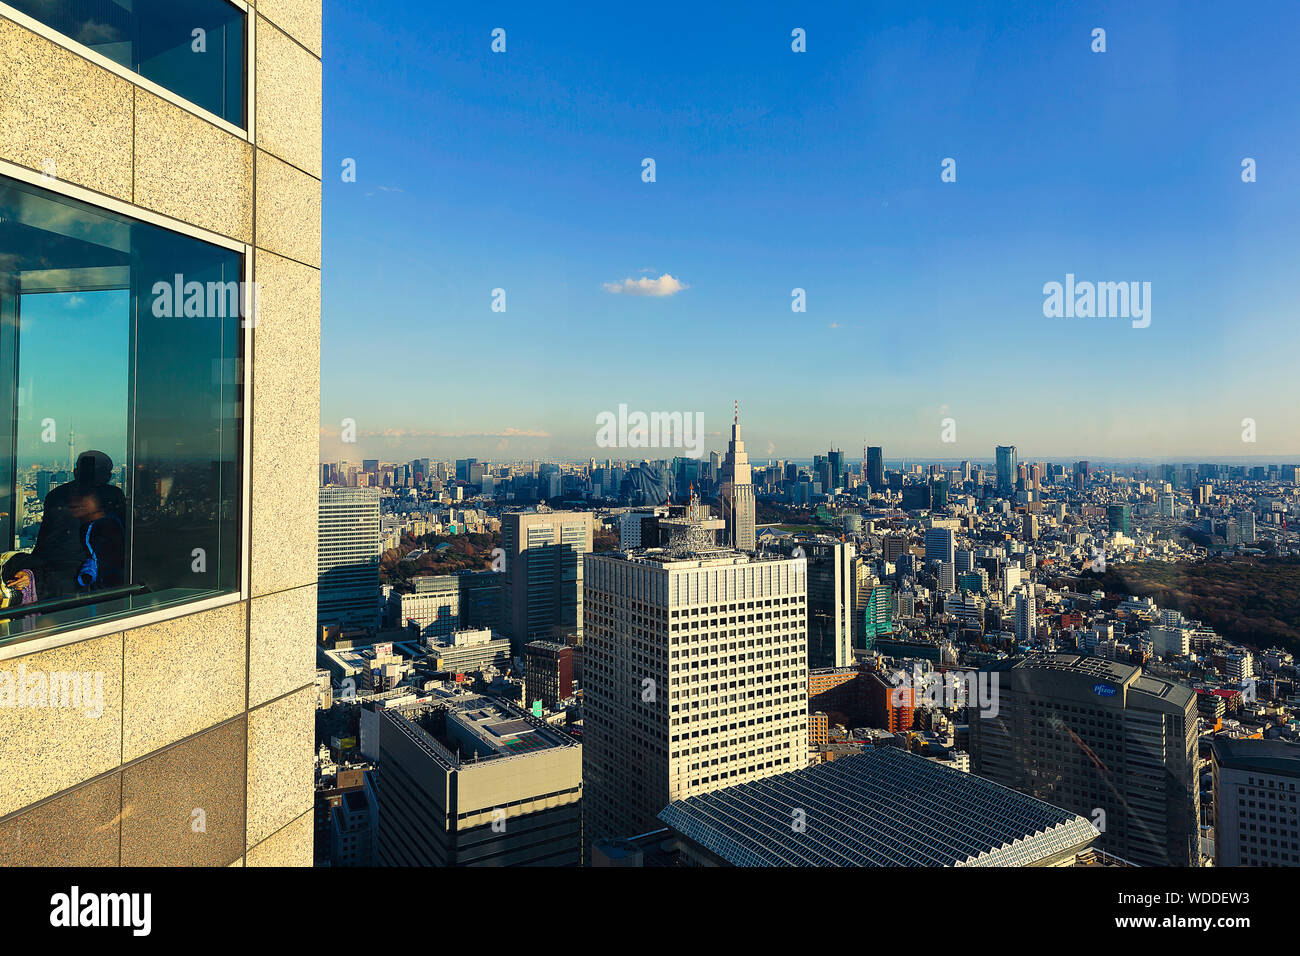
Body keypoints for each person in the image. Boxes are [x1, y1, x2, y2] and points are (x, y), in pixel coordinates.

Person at [2, 450, 127, 602]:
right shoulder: (112, 498)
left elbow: (48, 549)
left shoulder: (60, 496)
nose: (75, 503)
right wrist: (32, 573)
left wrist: (34, 574)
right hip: (74, 584)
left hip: (72, 584)